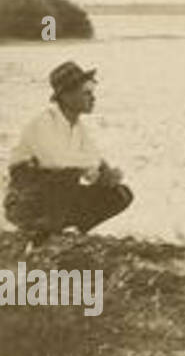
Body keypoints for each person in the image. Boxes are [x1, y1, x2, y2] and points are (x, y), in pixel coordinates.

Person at [3, 61, 133, 247]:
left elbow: (94, 159)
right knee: (66, 175)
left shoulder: (78, 127)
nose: (93, 98)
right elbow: (56, 161)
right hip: (24, 202)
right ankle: (38, 229)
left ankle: (70, 229)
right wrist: (93, 168)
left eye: (92, 92)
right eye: (86, 92)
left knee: (121, 194)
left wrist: (107, 175)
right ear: (66, 95)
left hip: (53, 197)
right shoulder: (43, 122)